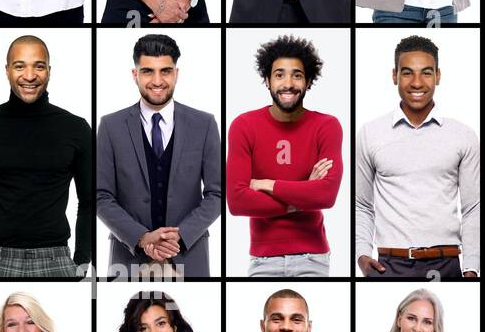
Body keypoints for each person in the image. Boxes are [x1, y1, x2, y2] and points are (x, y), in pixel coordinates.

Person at [97, 34, 223, 281]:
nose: (157, 81)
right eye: (147, 72)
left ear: (176, 73)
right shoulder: (111, 126)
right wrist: (142, 238)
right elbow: (101, 196)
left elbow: (217, 193)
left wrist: (180, 236)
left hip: (188, 257)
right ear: (135, 75)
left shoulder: (204, 124)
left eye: (165, 71)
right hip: (129, 260)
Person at [0, 35, 92, 278]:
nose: (30, 76)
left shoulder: (75, 129)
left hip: (56, 259)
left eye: (39, 66)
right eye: (20, 66)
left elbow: (88, 201)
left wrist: (82, 263)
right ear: (7, 70)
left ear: (49, 71)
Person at [355, 35, 479, 280]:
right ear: (394, 76)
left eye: (426, 73)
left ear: (438, 76)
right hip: (389, 265)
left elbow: (473, 207)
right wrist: (361, 254)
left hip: (448, 263)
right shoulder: (371, 133)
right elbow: (362, 204)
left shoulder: (462, 135)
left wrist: (472, 268)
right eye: (407, 73)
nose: (417, 83)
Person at [226, 35, 342, 278]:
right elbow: (237, 202)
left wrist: (266, 185)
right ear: (267, 80)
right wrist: (303, 192)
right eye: (279, 75)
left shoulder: (327, 126)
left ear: (309, 80)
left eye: (297, 75)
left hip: (313, 256)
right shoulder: (244, 125)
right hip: (263, 258)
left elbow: (326, 196)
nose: (288, 83)